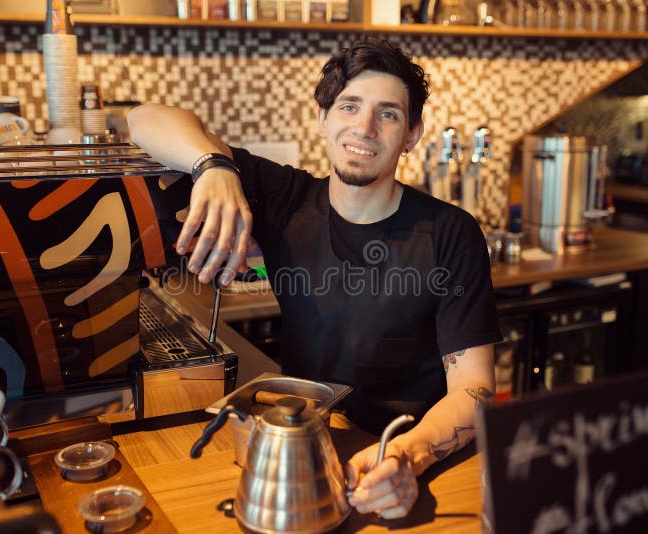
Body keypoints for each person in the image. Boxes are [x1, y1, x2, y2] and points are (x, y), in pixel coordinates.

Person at [128, 37, 501, 520]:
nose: (364, 127)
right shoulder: (285, 198)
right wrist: (214, 167)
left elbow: (474, 388)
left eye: (388, 114)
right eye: (349, 106)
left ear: (411, 135)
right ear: (324, 118)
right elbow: (142, 119)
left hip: (410, 458)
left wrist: (410, 454)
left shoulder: (450, 233)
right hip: (304, 447)